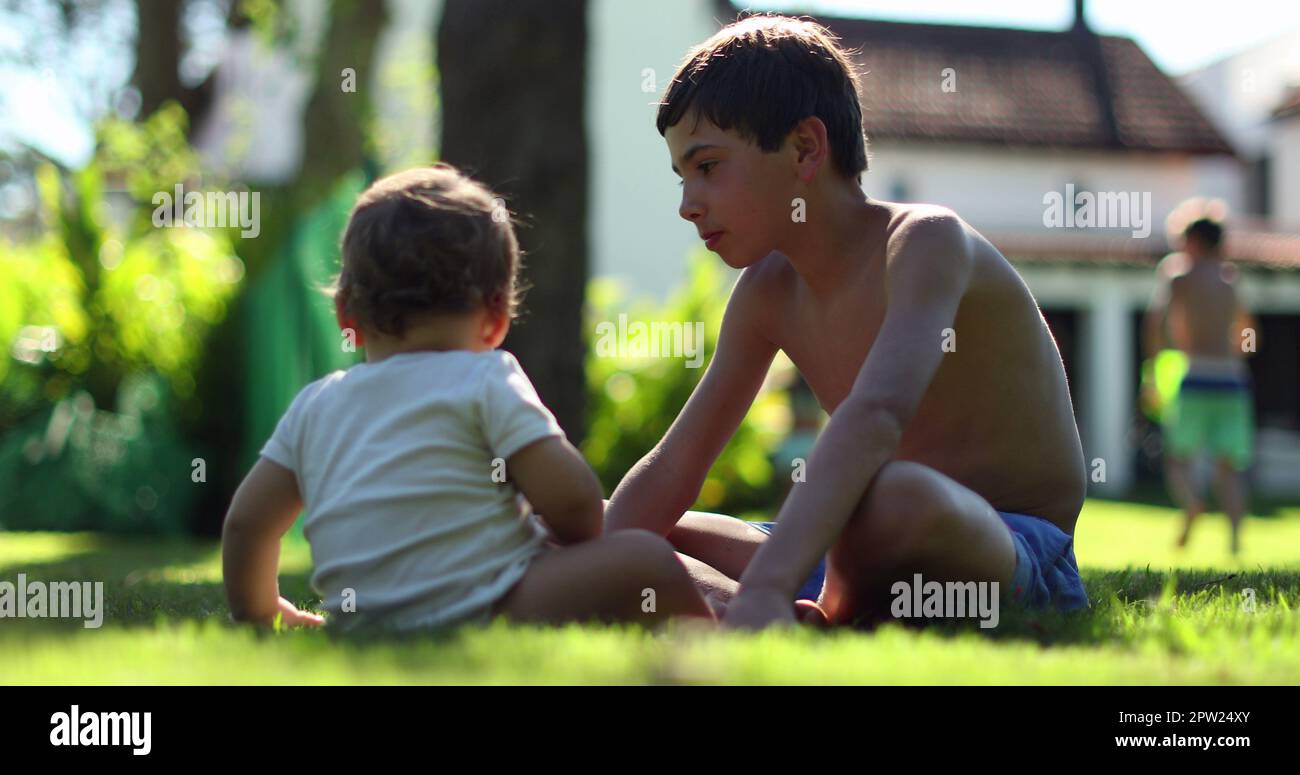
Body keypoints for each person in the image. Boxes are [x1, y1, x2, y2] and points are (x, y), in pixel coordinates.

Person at [603, 15, 1090, 628]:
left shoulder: (923, 244)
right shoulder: (767, 291)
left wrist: (773, 579)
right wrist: (596, 544)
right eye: (681, 177)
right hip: (841, 546)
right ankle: (741, 608)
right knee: (620, 520)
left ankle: (798, 607)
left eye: (706, 167)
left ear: (806, 149)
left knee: (893, 496)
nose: (687, 204)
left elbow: (875, 417)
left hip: (1003, 545)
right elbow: (676, 466)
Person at [222, 165, 713, 631]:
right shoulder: (483, 378)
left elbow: (247, 525)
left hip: (363, 620)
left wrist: (261, 612)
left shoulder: (315, 405)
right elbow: (575, 508)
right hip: (487, 605)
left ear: (345, 315)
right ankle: (723, 635)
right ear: (496, 316)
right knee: (645, 560)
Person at [1143, 203, 1255, 554]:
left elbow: (1155, 323)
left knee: (1179, 458)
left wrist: (1153, 373)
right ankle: (1235, 542)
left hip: (1194, 376)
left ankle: (1192, 503)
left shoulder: (1178, 274)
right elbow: (1250, 333)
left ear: (1191, 240)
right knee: (1230, 465)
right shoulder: (1230, 278)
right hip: (1233, 380)